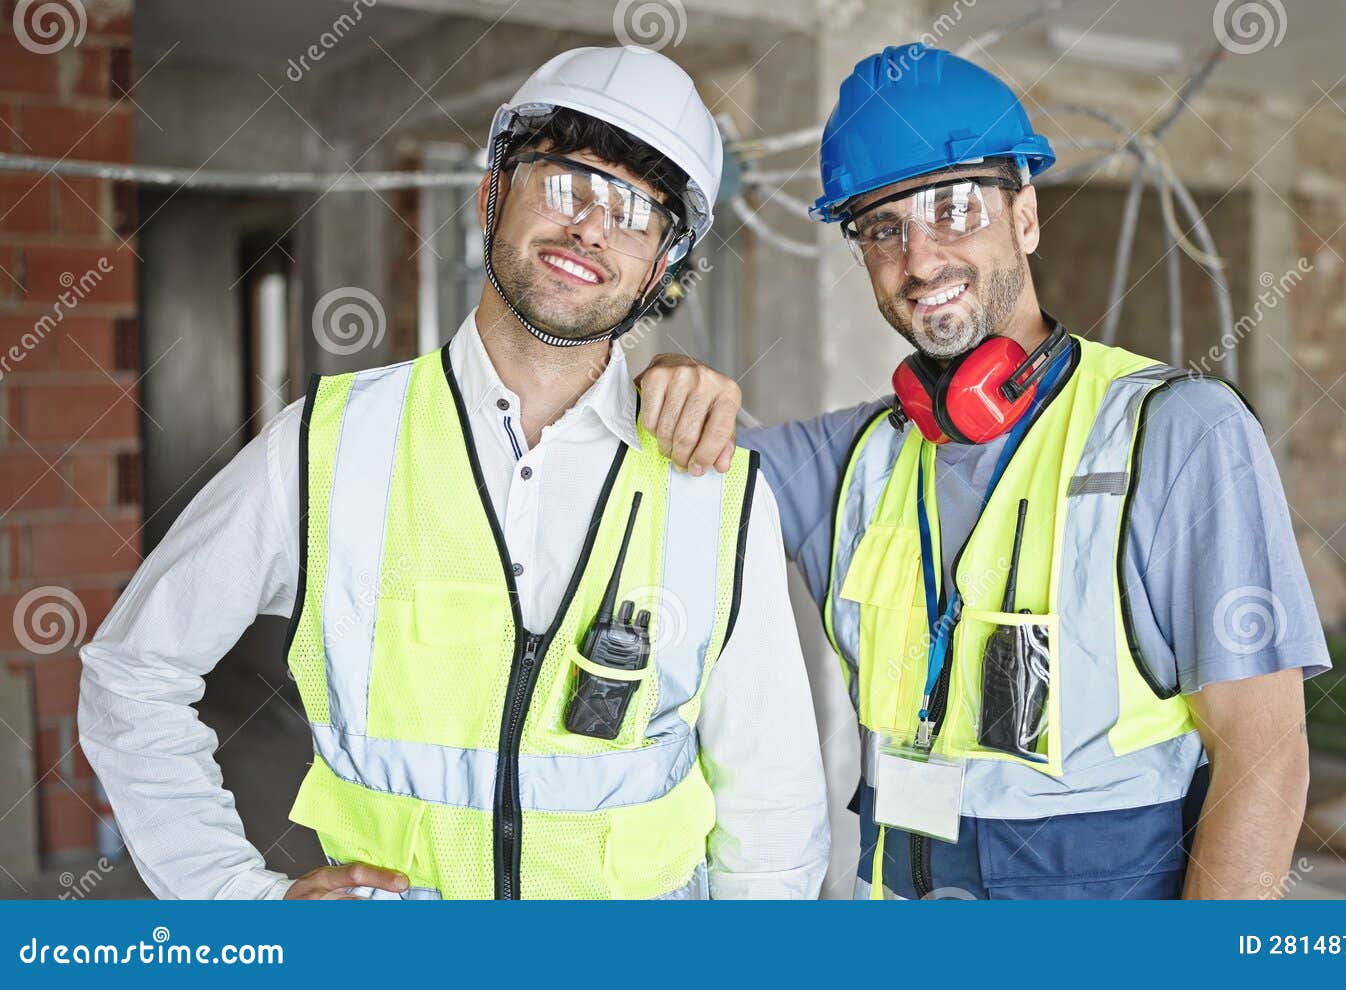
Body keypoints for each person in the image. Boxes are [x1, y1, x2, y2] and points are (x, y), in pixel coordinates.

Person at [78, 46, 828, 900]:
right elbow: (132, 675)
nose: (590, 228)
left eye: (634, 211)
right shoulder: (326, 447)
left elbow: (773, 809)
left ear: (660, 264)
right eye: (564, 183)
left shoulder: (714, 487)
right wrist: (235, 900)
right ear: (491, 194)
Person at [641, 44, 1328, 899]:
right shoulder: (848, 462)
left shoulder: (1175, 434)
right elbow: (640, 474)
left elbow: (1265, 758)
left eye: (954, 208)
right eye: (882, 228)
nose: (920, 260)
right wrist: (658, 381)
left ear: (1026, 216)